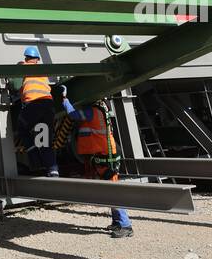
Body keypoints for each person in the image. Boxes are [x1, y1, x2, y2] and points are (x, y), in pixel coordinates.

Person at [55, 87, 132, 238]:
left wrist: (65, 100)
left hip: (105, 157)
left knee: (113, 191)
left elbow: (73, 115)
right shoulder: (101, 108)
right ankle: (118, 222)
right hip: (104, 155)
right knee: (110, 189)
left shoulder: (92, 112)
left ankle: (126, 225)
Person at [17, 47, 59, 176]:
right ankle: (53, 170)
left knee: (22, 127)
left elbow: (16, 85)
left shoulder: (23, 67)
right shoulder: (42, 72)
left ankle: (35, 159)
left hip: (34, 105)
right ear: (37, 59)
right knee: (45, 141)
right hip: (48, 106)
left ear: (26, 58)